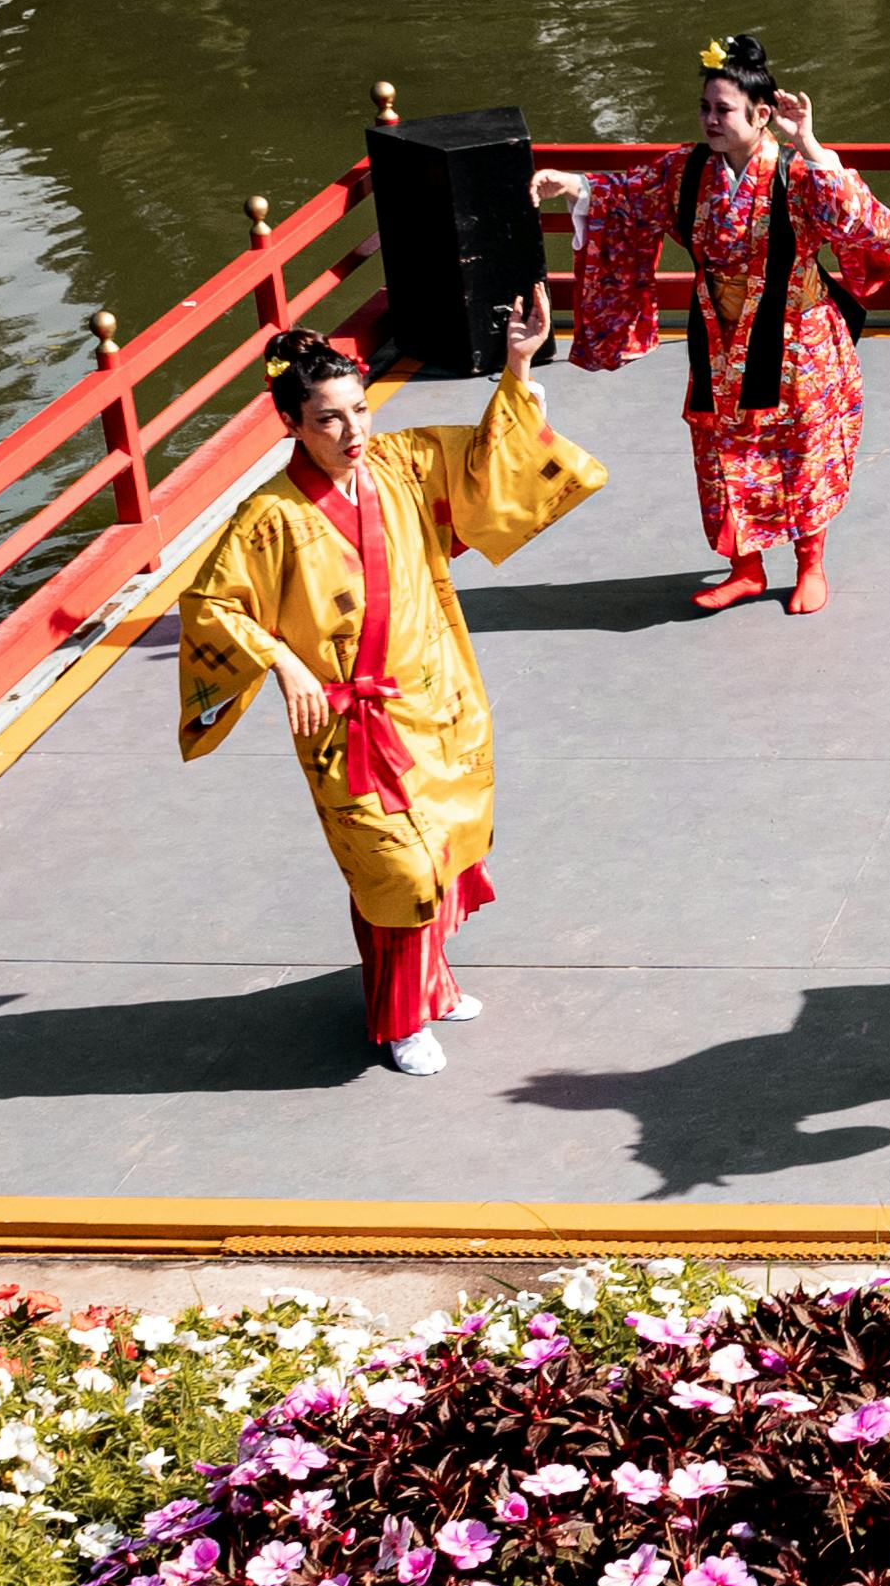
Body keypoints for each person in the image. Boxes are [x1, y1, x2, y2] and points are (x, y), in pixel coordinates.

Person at [173, 292, 607, 1075]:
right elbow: (210, 603)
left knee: (442, 847)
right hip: (347, 725)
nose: (351, 432)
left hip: (431, 701)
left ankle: (431, 982)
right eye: (329, 419)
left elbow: (485, 464)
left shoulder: (402, 467)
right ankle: (400, 1018)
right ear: (293, 426)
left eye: (358, 410)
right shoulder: (267, 518)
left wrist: (516, 361)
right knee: (397, 870)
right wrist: (285, 661)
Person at [534, 34, 890, 616]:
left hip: (798, 338)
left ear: (762, 116)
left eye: (723, 110)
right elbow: (628, 196)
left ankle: (810, 564)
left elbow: (869, 226)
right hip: (720, 336)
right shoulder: (686, 171)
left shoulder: (798, 174)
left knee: (804, 450)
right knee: (720, 450)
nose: (710, 119)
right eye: (705, 108)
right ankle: (746, 568)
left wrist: (810, 144)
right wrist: (575, 184)